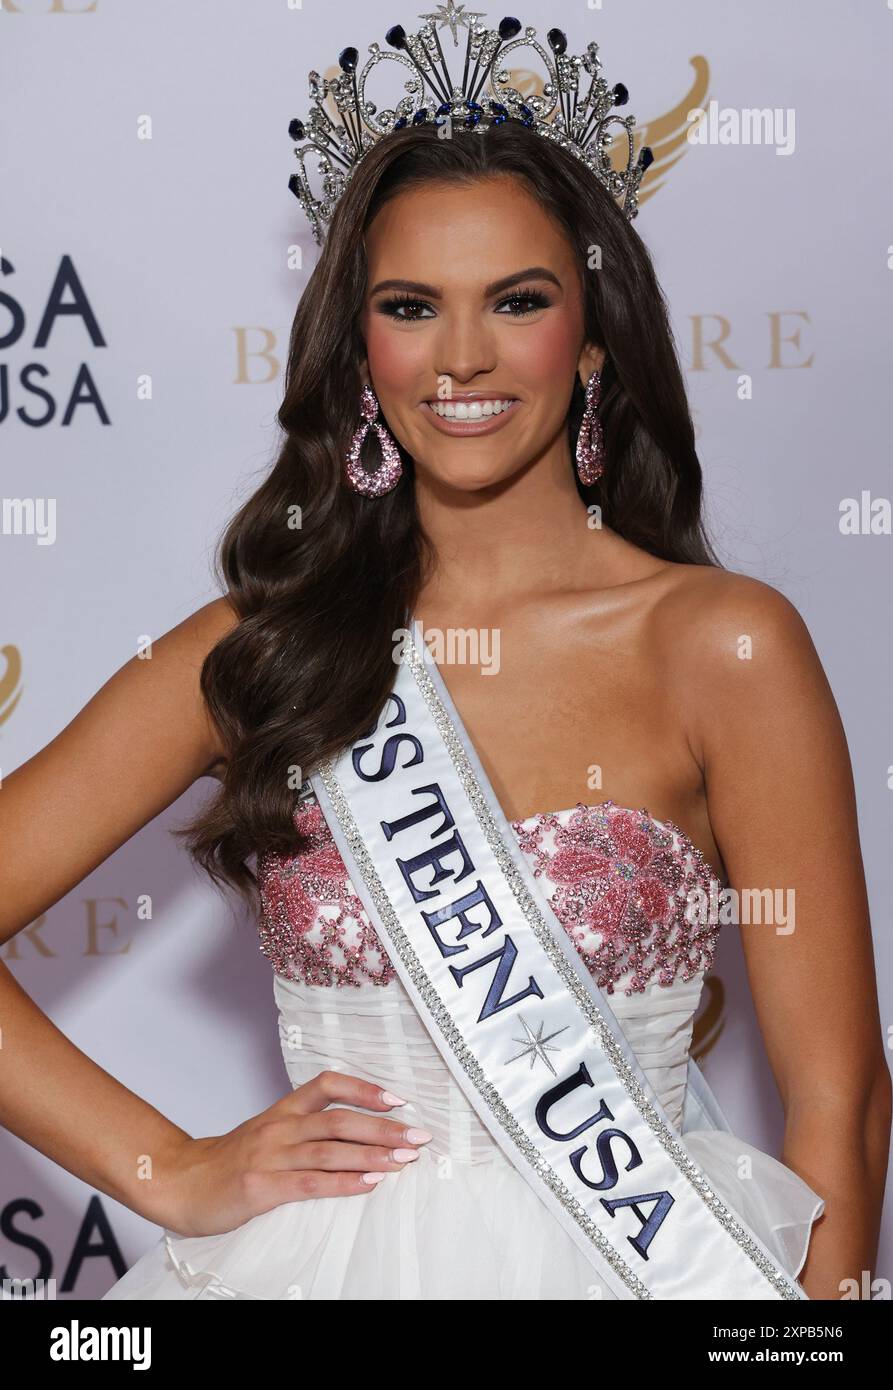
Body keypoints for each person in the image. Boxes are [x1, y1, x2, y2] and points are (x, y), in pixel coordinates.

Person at [1, 13, 889, 1302]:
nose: (462, 358)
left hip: (654, 1270)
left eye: (516, 302)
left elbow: (842, 1104)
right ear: (362, 352)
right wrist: (171, 1168)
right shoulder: (269, 650)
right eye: (411, 307)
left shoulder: (723, 645)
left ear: (591, 339)